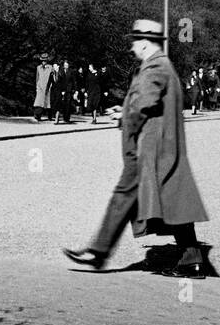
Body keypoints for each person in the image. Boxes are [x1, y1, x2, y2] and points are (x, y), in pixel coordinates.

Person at [63, 19, 209, 277]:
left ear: (144, 43)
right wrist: (125, 109)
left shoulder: (154, 66)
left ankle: (100, 251)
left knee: (144, 196)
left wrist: (123, 116)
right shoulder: (162, 64)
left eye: (134, 43)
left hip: (150, 150)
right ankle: (190, 257)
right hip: (158, 148)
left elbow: (143, 104)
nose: (132, 48)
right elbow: (148, 103)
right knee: (170, 199)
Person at [33, 52, 55, 122]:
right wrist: (37, 86)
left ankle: (50, 116)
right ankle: (37, 115)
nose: (44, 62)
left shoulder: (51, 67)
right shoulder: (38, 68)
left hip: (48, 88)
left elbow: (53, 78)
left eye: (45, 60)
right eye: (42, 60)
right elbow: (37, 78)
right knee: (39, 102)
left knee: (48, 103)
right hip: (40, 87)